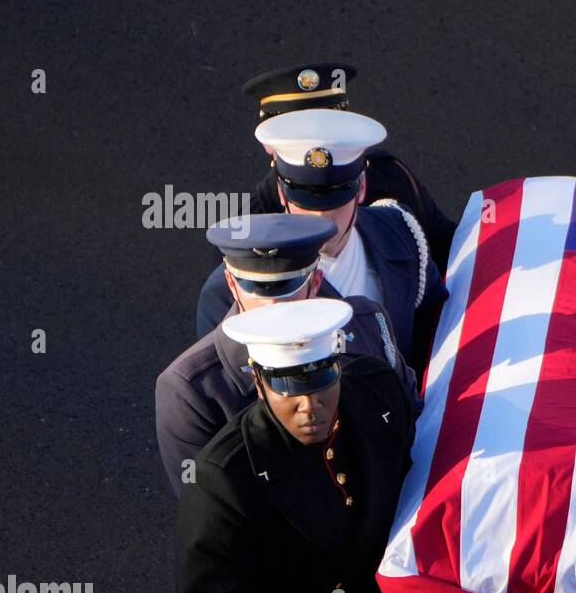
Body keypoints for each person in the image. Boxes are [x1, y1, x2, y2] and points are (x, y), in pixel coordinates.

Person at [178, 299, 415, 593]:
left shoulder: (376, 396)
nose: (310, 408)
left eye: (322, 385)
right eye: (289, 391)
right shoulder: (226, 476)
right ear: (259, 381)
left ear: (338, 366)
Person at [156, 213, 420, 497]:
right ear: (231, 285)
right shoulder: (190, 390)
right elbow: (209, 507)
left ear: (316, 281)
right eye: (254, 286)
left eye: (286, 286)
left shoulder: (368, 324)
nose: (271, 303)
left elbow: (413, 425)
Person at [195, 108, 448, 377]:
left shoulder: (399, 229)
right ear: (281, 192)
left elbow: (438, 330)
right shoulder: (235, 287)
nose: (321, 214)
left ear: (362, 187)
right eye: (305, 197)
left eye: (336, 195)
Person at [241, 61, 458, 268]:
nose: (317, 145)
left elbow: (449, 250)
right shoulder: (247, 225)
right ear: (267, 142)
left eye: (330, 127)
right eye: (296, 134)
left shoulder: (388, 177)